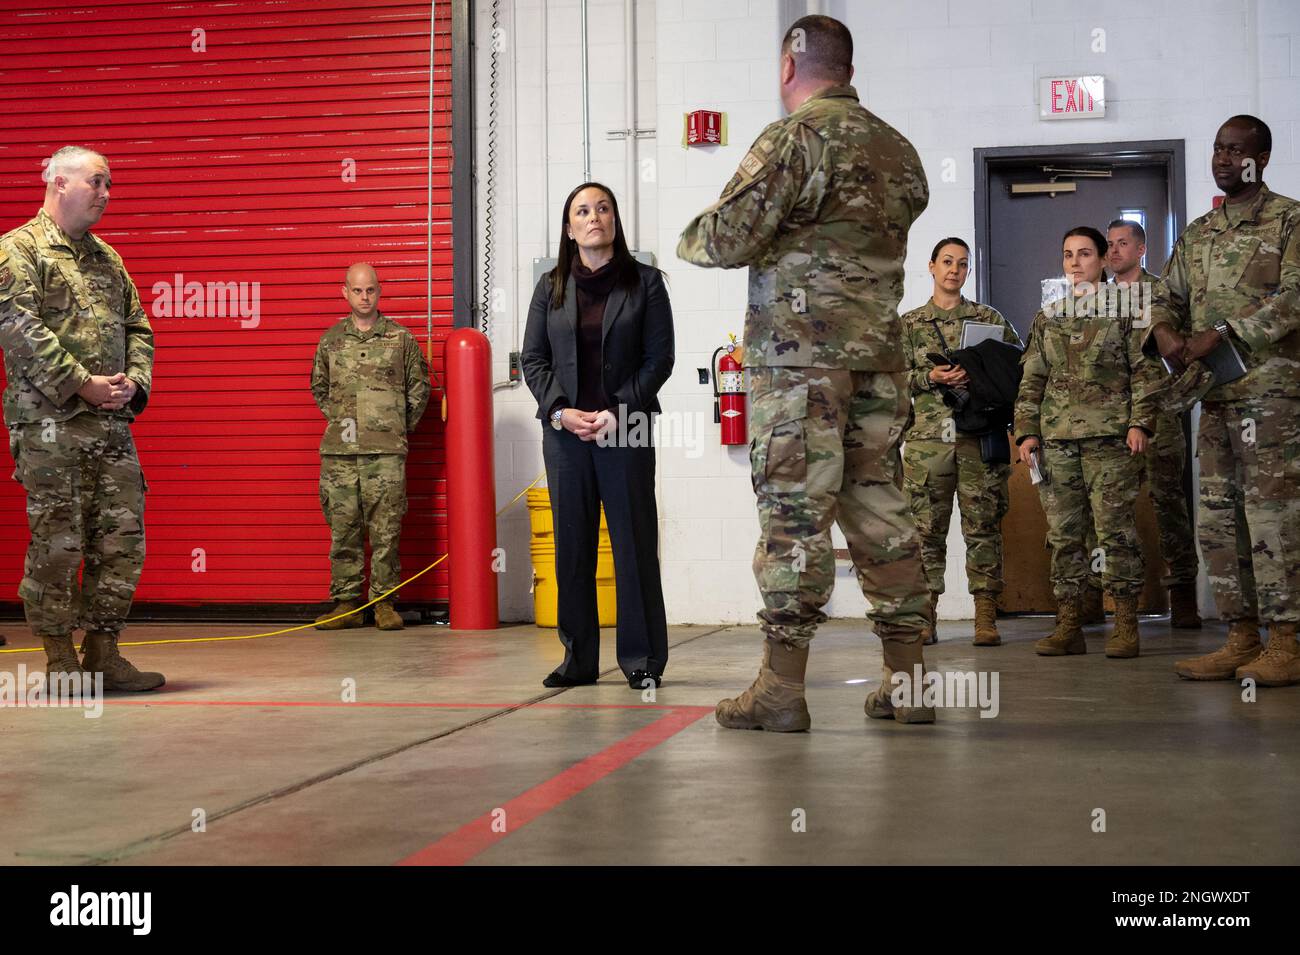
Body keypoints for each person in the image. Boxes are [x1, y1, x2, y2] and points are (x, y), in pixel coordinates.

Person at [678, 14, 934, 729]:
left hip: (799, 365)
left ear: (790, 66)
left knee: (795, 516)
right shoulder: (900, 150)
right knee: (882, 509)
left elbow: (722, 238)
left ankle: (782, 690)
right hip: (879, 357)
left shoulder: (794, 138)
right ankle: (909, 684)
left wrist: (699, 233)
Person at [0, 145, 163, 690]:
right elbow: (19, 328)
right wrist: (82, 385)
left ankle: (103, 653)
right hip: (50, 427)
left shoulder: (107, 258)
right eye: (97, 182)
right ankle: (60, 661)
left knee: (121, 538)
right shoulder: (18, 251)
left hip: (112, 426)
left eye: (108, 184)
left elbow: (139, 326)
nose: (105, 194)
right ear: (59, 183)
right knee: (59, 541)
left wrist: (133, 381)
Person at [1145, 115, 1300, 686]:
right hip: (1213, 397)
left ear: (1262, 157)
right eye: (1217, 148)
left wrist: (1230, 331)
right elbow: (1167, 294)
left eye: (1236, 150)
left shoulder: (1290, 220)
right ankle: (1239, 637)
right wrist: (1163, 329)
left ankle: (1285, 642)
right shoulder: (1201, 231)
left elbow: (1296, 297)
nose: (1223, 158)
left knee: (1272, 518)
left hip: (1273, 399)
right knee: (1218, 517)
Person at [521, 182, 674, 690]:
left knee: (632, 543)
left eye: (603, 208)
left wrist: (616, 409)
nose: (594, 217)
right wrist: (561, 412)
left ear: (614, 221)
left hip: (624, 426)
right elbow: (534, 359)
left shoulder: (646, 283)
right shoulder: (550, 287)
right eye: (582, 211)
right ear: (569, 228)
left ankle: (642, 659)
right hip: (566, 434)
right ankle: (579, 659)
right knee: (573, 548)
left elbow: (660, 359)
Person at [1015, 226, 1164, 659]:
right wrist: (1027, 431)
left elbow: (1146, 372)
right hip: (1058, 442)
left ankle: (1125, 624)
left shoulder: (1129, 309)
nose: (1075, 262)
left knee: (1115, 533)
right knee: (1063, 536)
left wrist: (1140, 423)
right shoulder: (1049, 316)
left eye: (1084, 254)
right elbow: (1032, 379)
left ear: (1102, 260)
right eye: (1068, 255)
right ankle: (1069, 624)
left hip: (1111, 440)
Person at [902, 237, 1021, 647]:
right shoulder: (911, 324)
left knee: (983, 529)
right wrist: (927, 377)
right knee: (925, 533)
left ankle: (985, 618)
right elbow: (887, 381)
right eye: (947, 262)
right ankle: (925, 618)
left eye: (963, 264)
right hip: (927, 445)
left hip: (978, 438)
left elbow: (1016, 370)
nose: (954, 269)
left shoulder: (988, 320)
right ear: (932, 266)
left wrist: (979, 375)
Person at [311, 263, 430, 631]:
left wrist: (394, 427)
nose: (365, 297)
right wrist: (346, 422)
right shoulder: (331, 341)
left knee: (386, 529)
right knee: (343, 528)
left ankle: (383, 604)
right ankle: (346, 604)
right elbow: (319, 388)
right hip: (340, 455)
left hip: (386, 454)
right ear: (344, 293)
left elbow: (419, 389)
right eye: (358, 291)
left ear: (380, 291)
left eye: (371, 290)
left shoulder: (401, 339)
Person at [1106, 218, 1201, 629]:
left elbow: (1183, 351)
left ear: (1141, 249)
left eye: (1122, 243)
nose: (1114, 251)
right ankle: (1105, 597)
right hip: (1112, 420)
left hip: (1160, 416)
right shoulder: (1097, 300)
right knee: (1110, 510)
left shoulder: (1163, 296)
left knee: (1170, 505)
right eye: (1108, 244)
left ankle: (1182, 595)